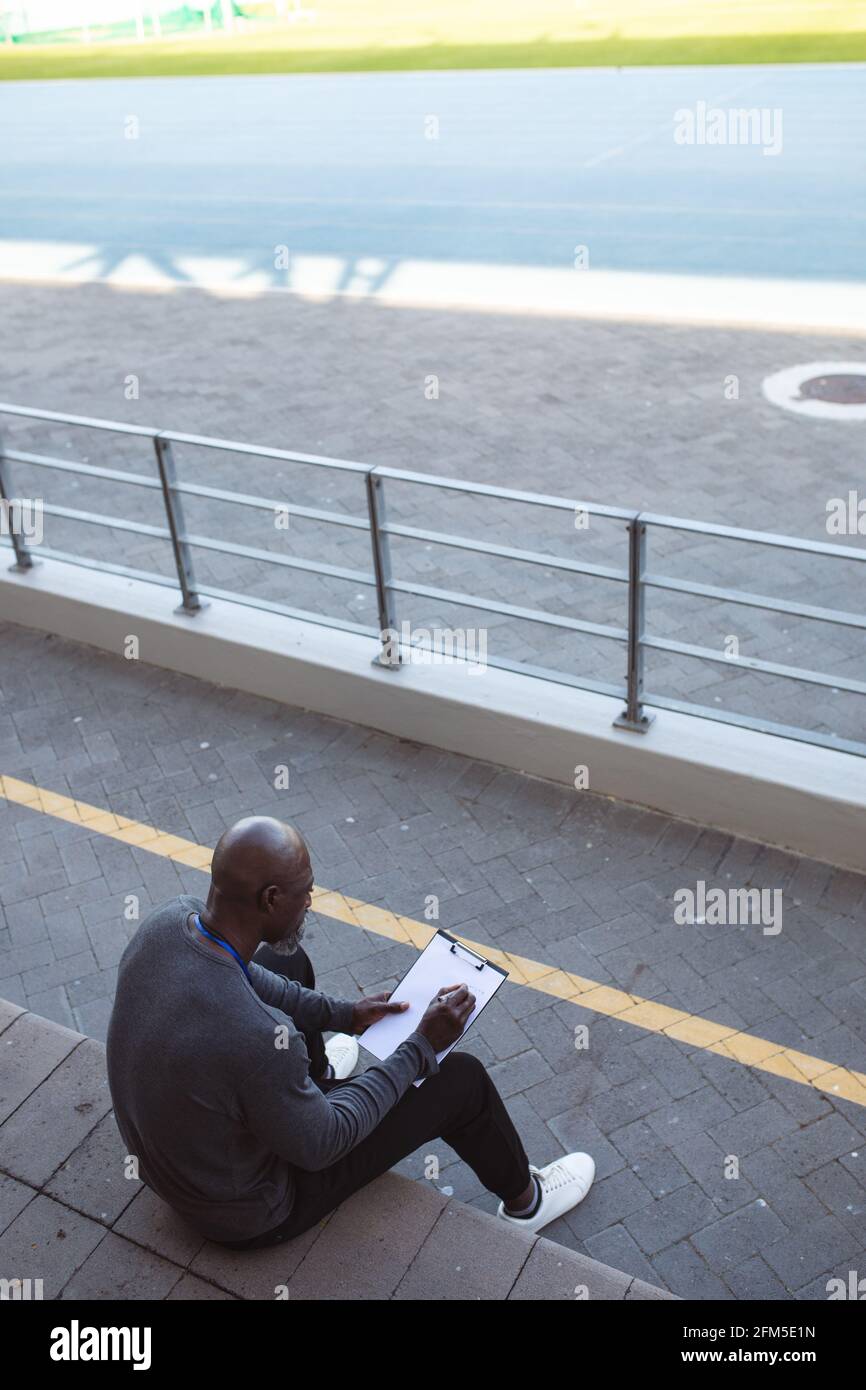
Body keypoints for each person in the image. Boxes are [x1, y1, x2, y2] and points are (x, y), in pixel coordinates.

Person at [106, 815, 595, 1248]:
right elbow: (324, 1140)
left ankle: (309, 1082)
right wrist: (421, 1046)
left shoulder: (171, 921)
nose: (311, 900)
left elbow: (244, 975)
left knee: (284, 959)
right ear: (272, 898)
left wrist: (344, 1015)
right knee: (461, 1079)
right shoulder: (258, 1042)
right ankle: (526, 1202)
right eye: (305, 890)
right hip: (246, 1210)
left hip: (176, 1159)